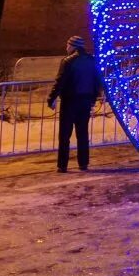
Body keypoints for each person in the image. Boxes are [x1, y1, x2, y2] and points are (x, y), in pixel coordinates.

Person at [48, 36, 102, 173]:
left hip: (70, 101)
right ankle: (83, 163)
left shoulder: (68, 61)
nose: (66, 47)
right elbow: (97, 81)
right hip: (85, 101)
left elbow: (60, 81)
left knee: (65, 135)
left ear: (73, 46)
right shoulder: (91, 60)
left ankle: (62, 165)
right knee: (82, 133)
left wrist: (51, 98)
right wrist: (93, 98)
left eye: (68, 45)